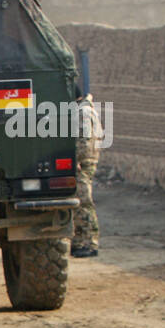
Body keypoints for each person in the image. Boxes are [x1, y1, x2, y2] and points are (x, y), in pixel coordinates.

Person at [71, 89, 103, 258]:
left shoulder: (83, 112)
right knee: (81, 202)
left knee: (84, 202)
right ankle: (80, 241)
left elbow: (84, 141)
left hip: (83, 163)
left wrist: (76, 160)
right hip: (87, 161)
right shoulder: (85, 110)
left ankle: (89, 243)